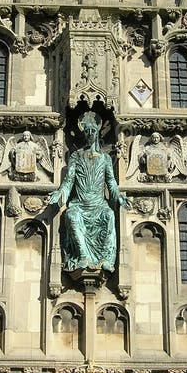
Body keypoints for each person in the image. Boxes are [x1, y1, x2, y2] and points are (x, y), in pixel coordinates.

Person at [49, 112, 129, 273]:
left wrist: (118, 196)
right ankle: (83, 256)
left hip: (99, 205)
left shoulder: (105, 158)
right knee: (71, 216)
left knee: (109, 215)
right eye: (87, 131)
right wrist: (59, 194)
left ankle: (105, 259)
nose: (90, 133)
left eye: (93, 130)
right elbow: (69, 181)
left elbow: (111, 182)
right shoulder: (76, 156)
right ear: (84, 134)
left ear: (97, 133)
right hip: (79, 205)